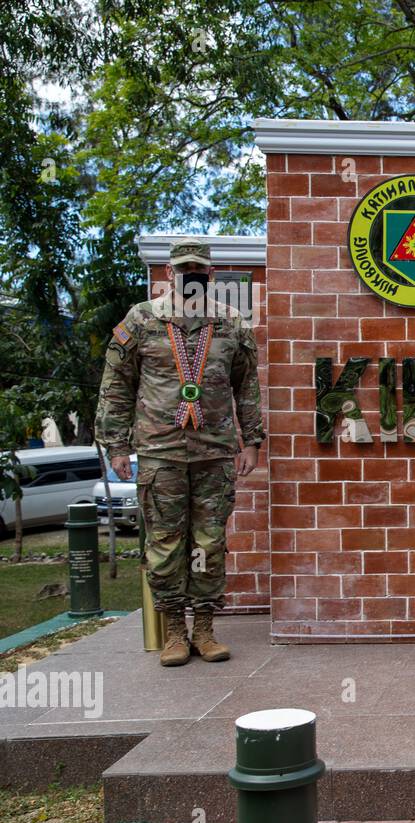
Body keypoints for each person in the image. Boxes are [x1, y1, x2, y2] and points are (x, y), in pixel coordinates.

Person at [95, 241, 264, 666]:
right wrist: (116, 445)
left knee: (208, 542)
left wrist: (254, 441)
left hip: (214, 451)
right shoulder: (142, 320)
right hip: (160, 450)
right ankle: (173, 631)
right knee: (166, 543)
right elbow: (117, 384)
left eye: (199, 269)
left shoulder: (229, 322)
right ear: (170, 273)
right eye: (183, 268)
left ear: (209, 275)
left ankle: (205, 629)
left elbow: (246, 386)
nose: (191, 274)